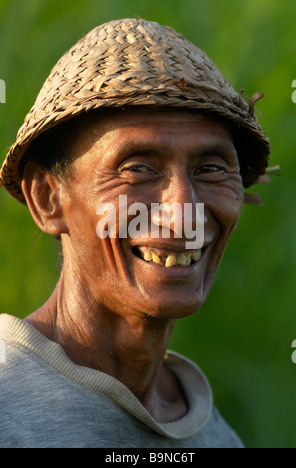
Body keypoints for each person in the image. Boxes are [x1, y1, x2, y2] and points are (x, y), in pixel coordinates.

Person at [0, 18, 271, 448]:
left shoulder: (215, 436)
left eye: (211, 169)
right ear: (48, 198)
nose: (183, 210)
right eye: (137, 168)